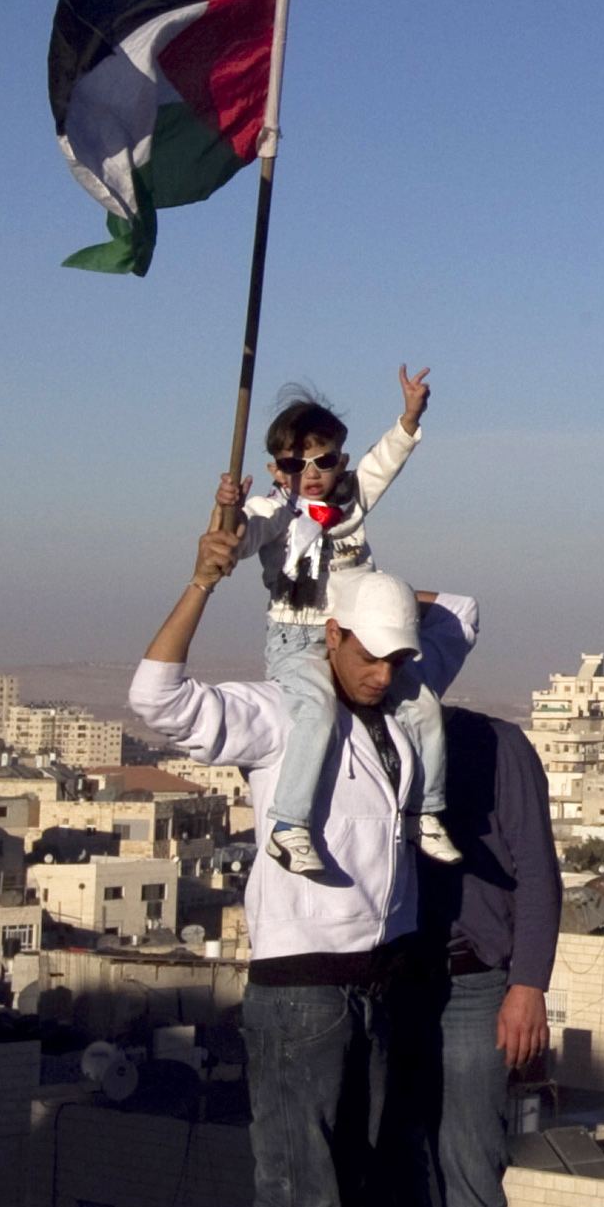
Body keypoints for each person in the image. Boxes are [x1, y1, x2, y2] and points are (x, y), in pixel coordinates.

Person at [132, 502, 475, 1207]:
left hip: (377, 979)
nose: (386, 669)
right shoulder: (283, 712)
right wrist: (211, 578)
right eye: (367, 652)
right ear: (330, 636)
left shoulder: (396, 706)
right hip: (301, 989)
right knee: (301, 1191)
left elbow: (468, 611)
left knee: (361, 1185)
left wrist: (375, 585)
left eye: (397, 656)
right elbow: (157, 699)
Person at [230, 369, 456, 876]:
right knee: (316, 715)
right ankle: (289, 826)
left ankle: (426, 812)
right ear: (275, 469)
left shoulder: (351, 499)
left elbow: (386, 462)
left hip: (359, 635)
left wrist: (410, 417)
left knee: (424, 709)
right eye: (295, 464)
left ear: (340, 462)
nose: (310, 473)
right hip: (300, 636)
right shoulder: (273, 509)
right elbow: (245, 538)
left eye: (323, 460)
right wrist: (229, 517)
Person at [401, 700, 562, 1207]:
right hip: (385, 982)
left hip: (472, 981)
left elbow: (537, 869)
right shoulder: (358, 731)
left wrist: (527, 983)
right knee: (393, 1167)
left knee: (469, 1161)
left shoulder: (495, 743)